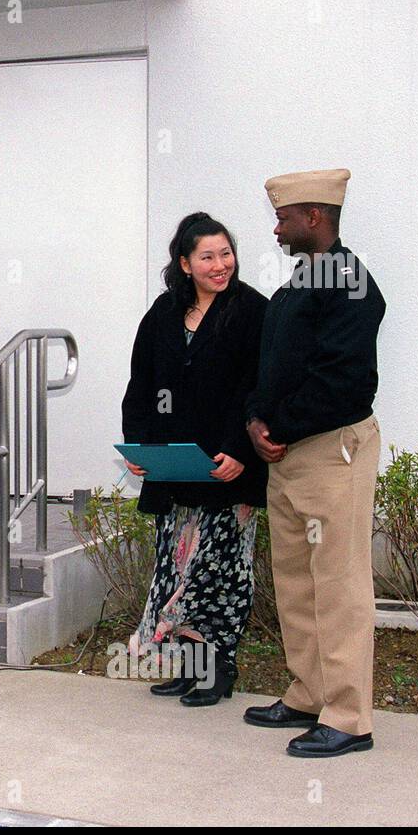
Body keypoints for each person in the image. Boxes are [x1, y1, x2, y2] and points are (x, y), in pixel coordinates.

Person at [243, 168, 385, 757]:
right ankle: (309, 692)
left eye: (283, 218)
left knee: (340, 583)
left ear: (314, 218)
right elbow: (271, 366)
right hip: (289, 454)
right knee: (296, 580)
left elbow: (346, 379)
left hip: (331, 450)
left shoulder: (349, 280)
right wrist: (255, 419)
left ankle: (349, 717)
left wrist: (283, 426)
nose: (276, 228)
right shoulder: (302, 281)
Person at [121, 213, 269, 707]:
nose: (220, 265)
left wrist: (242, 451)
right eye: (207, 256)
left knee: (220, 572)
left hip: (227, 471)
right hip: (175, 474)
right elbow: (140, 385)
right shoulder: (163, 313)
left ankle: (218, 670)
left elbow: (259, 391)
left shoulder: (252, 311)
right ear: (184, 263)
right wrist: (139, 445)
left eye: (225, 253)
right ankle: (188, 667)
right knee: (178, 567)